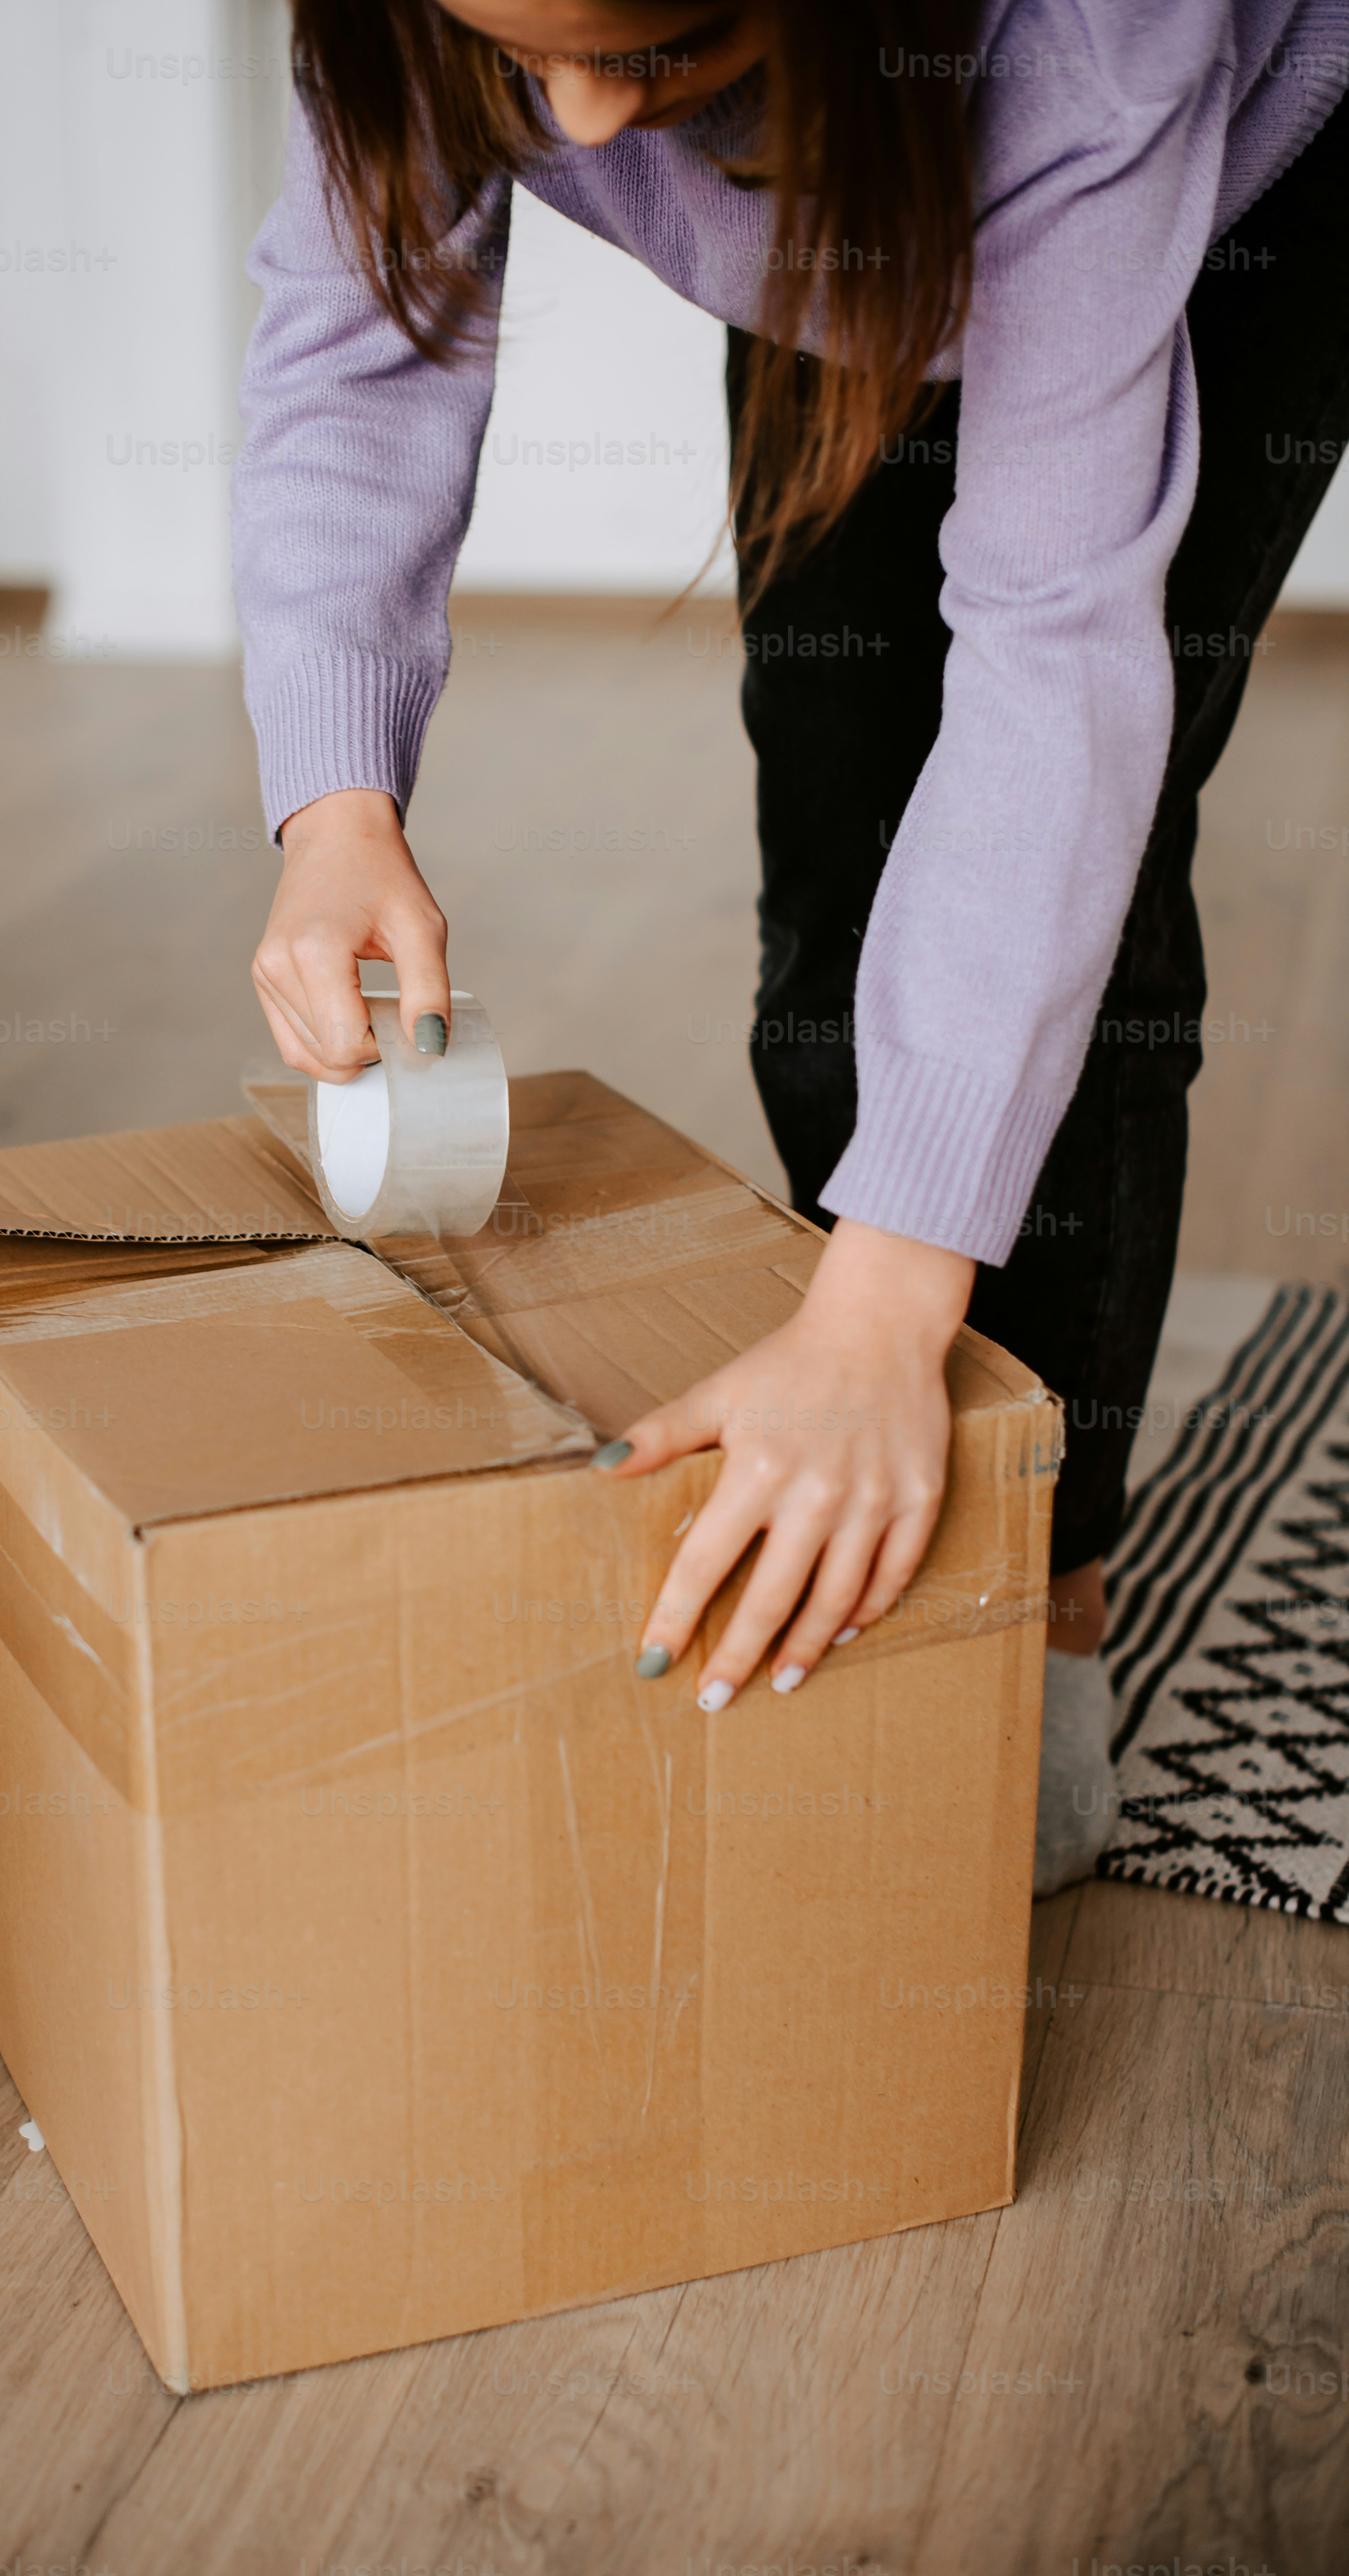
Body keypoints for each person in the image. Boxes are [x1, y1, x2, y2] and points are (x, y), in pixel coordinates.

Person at [232, 0, 1349, 1892]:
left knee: (1086, 864)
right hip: (851, 179)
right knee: (833, 785)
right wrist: (335, 803)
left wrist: (887, 1296)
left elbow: (1053, 673)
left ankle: (1042, 1565)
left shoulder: (1094, 48)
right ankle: (869, 1390)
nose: (582, 122)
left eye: (657, 52)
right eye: (520, 63)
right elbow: (357, 345)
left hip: (1222, 178)